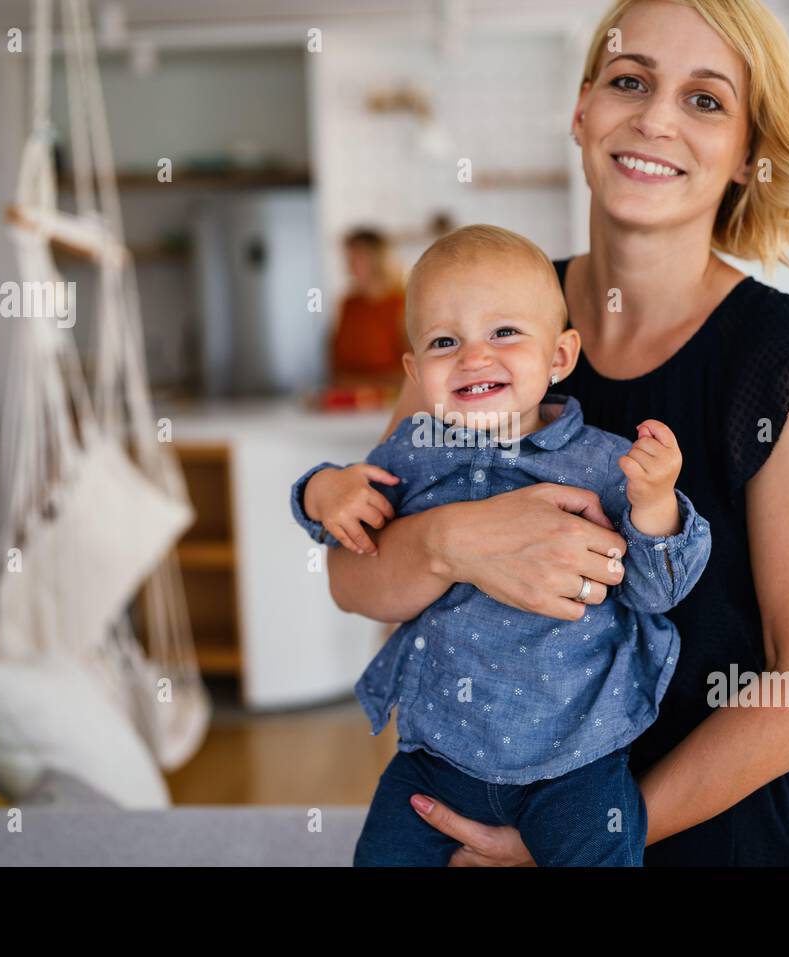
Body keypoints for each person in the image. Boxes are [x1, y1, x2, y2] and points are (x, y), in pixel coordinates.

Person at [306, 0, 789, 866]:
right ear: (581, 114)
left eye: (706, 100)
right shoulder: (480, 322)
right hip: (475, 805)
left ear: (747, 156)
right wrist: (456, 540)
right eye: (629, 81)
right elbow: (353, 572)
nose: (655, 117)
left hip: (701, 843)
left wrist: (584, 835)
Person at [290, 225, 712, 865]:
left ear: (560, 357)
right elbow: (346, 536)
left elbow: (657, 591)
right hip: (436, 759)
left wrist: (654, 505)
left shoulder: (604, 463)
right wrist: (323, 489)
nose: (473, 357)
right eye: (443, 341)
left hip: (576, 760)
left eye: (505, 333)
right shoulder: (411, 452)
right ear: (414, 371)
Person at [328, 227, 409, 387]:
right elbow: (337, 363)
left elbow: (414, 369)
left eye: (355, 258)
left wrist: (366, 383)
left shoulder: (401, 304)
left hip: (389, 399)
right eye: (348, 259)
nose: (348, 267)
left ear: (375, 259)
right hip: (351, 398)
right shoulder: (348, 304)